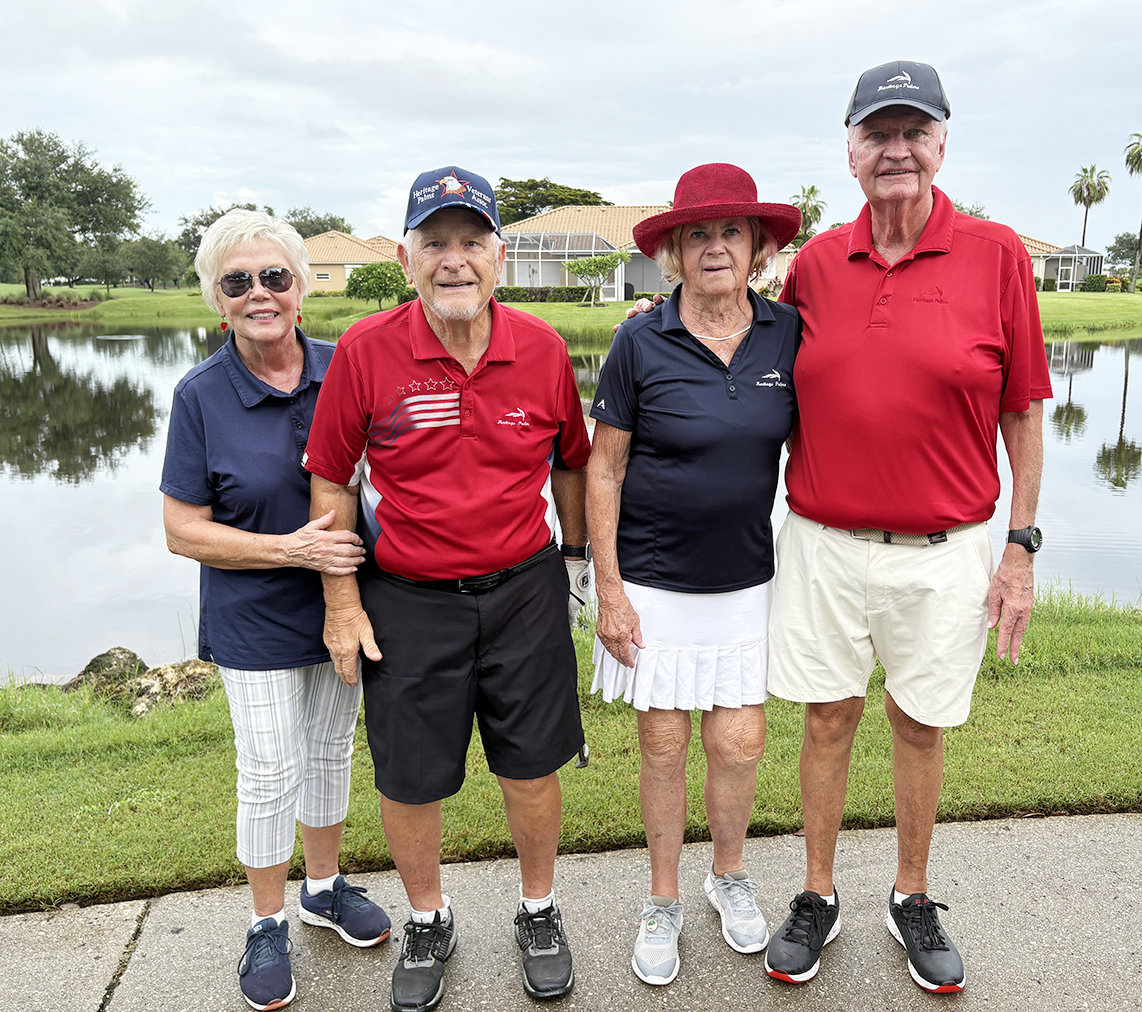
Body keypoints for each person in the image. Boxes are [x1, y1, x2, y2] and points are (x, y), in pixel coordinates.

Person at [759, 61, 1052, 993]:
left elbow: (1025, 414)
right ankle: (817, 893)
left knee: (921, 725)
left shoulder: (997, 253)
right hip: (823, 544)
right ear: (849, 151)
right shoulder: (814, 263)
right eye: (876, 133)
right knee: (828, 720)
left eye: (912, 131)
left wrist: (1021, 544)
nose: (895, 150)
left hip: (949, 549)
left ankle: (911, 896)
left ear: (940, 143)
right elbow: (753, 356)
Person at [302, 166, 591, 1012]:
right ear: (406, 256)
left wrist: (573, 564)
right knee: (409, 777)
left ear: (499, 255)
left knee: (532, 766)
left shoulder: (539, 348)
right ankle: (429, 918)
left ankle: (538, 910)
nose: (454, 260)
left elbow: (570, 460)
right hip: (408, 599)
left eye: (471, 242)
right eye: (436, 243)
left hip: (524, 591)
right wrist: (342, 602)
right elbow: (330, 482)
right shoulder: (366, 349)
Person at [161, 209, 390, 1012]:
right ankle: (266, 922)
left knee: (330, 752)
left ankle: (322, 889)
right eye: (237, 282)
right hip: (253, 614)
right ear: (215, 300)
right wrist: (290, 550)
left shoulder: (348, 366)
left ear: (299, 289)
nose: (259, 293)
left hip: (346, 606)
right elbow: (182, 530)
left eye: (275, 277)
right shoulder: (200, 396)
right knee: (268, 768)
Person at [587, 163, 802, 986]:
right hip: (651, 579)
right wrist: (607, 588)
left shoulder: (788, 334)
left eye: (732, 232)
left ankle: (731, 876)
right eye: (698, 234)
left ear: (756, 248)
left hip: (747, 576)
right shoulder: (640, 339)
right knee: (665, 740)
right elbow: (604, 470)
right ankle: (665, 898)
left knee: (740, 741)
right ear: (674, 252)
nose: (716, 246)